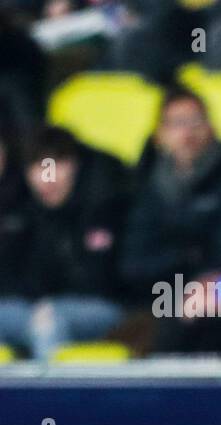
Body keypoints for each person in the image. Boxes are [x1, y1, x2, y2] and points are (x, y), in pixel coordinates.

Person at [119, 89, 221, 296]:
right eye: (177, 123)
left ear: (212, 127)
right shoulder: (149, 186)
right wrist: (187, 256)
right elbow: (133, 265)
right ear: (160, 134)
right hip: (160, 294)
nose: (187, 133)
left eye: (195, 121)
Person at [0, 126, 126, 360]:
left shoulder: (105, 207)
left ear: (75, 166)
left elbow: (105, 280)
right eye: (38, 167)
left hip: (102, 307)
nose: (47, 178)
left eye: (57, 165)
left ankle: (46, 398)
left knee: (49, 322)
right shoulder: (21, 212)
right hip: (32, 307)